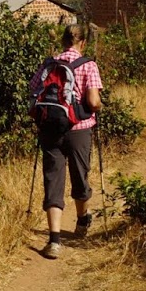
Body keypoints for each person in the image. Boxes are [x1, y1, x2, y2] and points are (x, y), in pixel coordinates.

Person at [30, 24, 103, 259]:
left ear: (63, 41)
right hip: (79, 129)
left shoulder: (49, 64)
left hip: (50, 128)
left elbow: (33, 90)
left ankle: (54, 241)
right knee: (79, 175)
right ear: (83, 43)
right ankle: (82, 221)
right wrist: (100, 106)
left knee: (53, 179)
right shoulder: (88, 65)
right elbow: (93, 102)